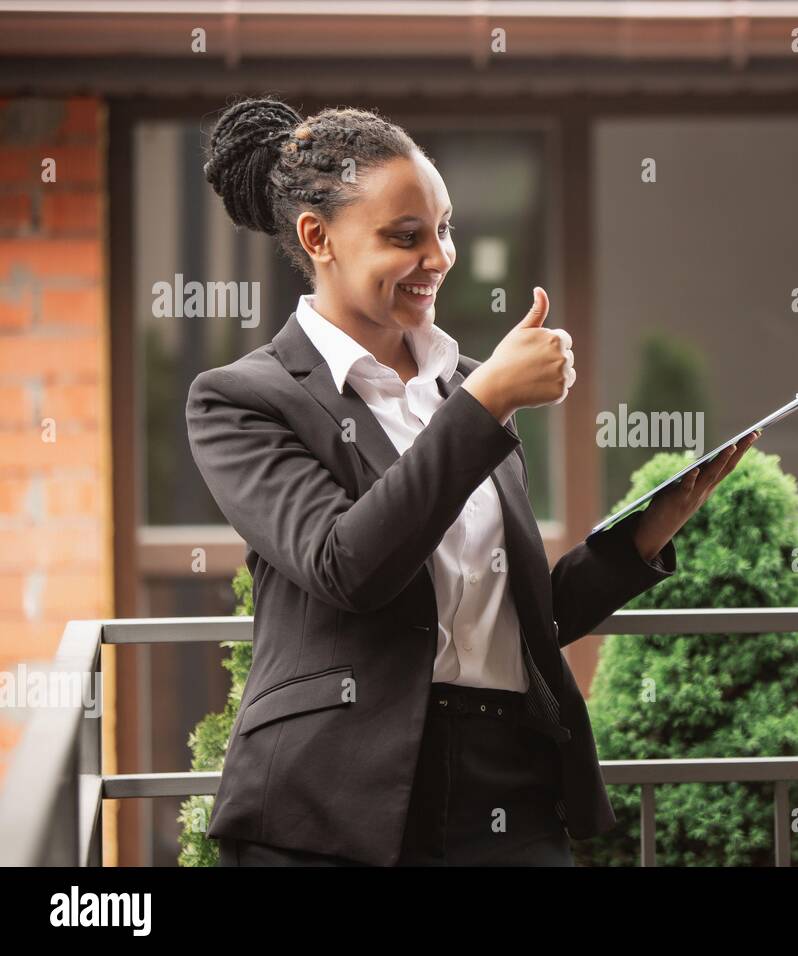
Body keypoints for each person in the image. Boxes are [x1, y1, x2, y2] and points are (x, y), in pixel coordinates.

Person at [187, 96, 758, 866]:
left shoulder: (463, 391)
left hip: (508, 780)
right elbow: (346, 567)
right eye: (405, 236)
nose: (439, 257)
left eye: (445, 228)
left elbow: (516, 616)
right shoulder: (244, 399)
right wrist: (485, 401)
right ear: (317, 237)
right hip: (335, 802)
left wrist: (645, 535)